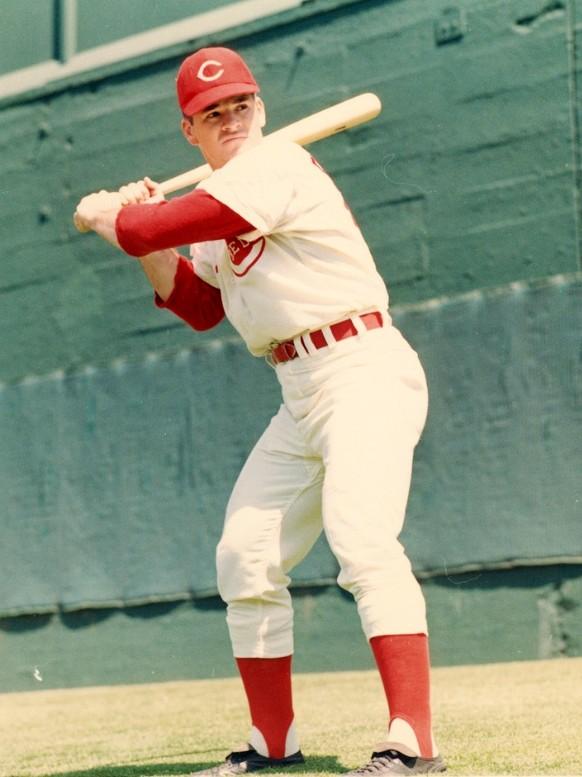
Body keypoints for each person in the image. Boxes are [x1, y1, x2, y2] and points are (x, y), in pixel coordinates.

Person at [75, 46, 446, 777]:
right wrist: (137, 232)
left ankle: (413, 743)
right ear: (191, 130)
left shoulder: (277, 165)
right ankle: (272, 743)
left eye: (242, 104)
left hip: (361, 366)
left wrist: (114, 216)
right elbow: (201, 306)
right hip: (299, 386)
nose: (232, 118)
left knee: (363, 538)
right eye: (214, 113)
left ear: (260, 107)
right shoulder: (217, 202)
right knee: (244, 555)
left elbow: (151, 228)